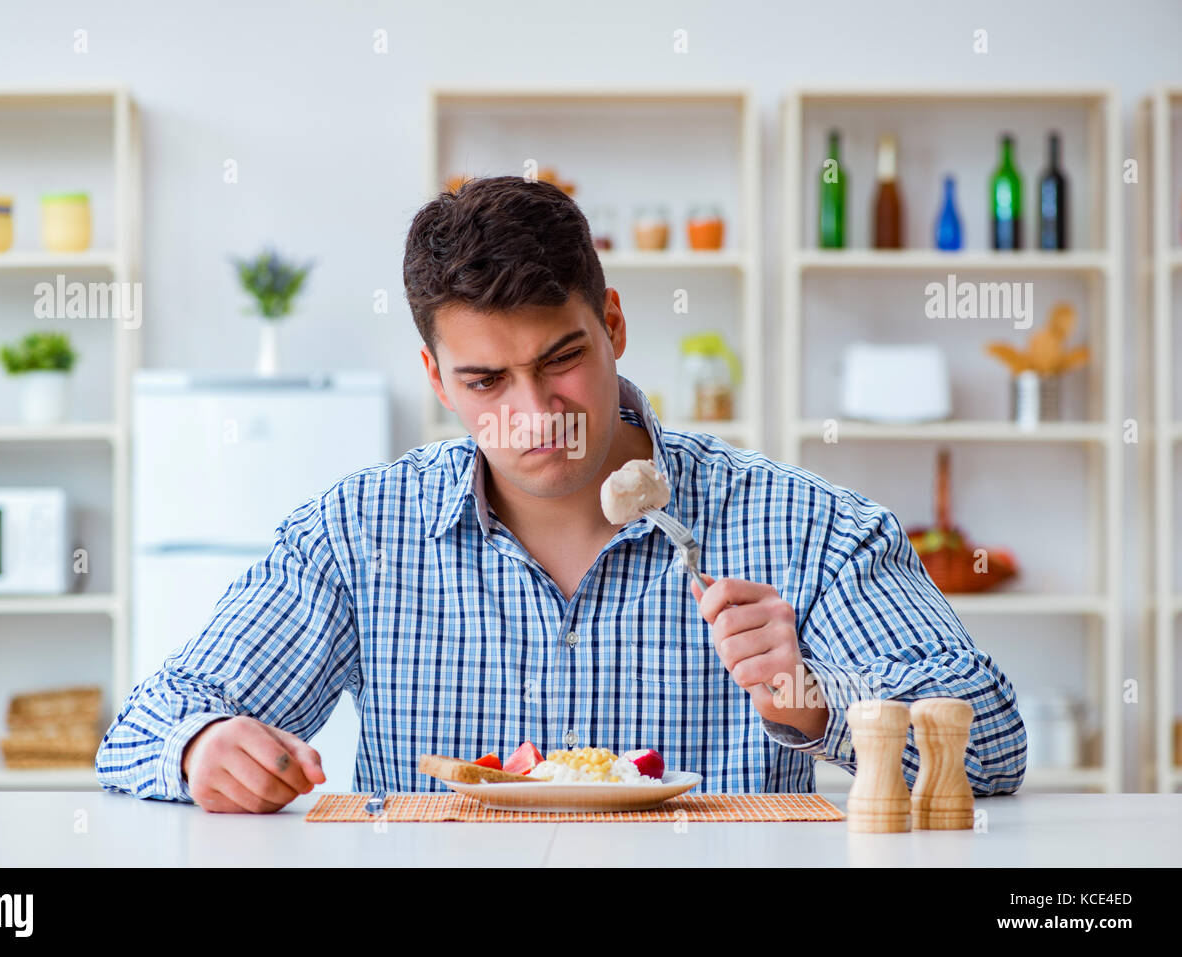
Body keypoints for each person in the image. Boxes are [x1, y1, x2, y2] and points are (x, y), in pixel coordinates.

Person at [95, 175, 1026, 812]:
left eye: (562, 360)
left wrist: (818, 699)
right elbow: (143, 722)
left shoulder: (808, 526)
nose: (537, 416)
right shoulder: (357, 534)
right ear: (435, 376)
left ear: (612, 321)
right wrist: (202, 745)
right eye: (486, 382)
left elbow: (991, 749)